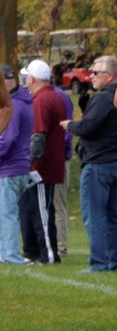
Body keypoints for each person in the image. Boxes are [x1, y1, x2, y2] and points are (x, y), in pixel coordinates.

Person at [66, 56, 117, 273]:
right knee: (115, 215)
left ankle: (99, 263)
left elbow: (87, 127)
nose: (90, 76)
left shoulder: (103, 99)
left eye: (95, 72)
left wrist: (70, 125)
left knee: (95, 215)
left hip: (100, 164)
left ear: (109, 76)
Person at [24, 59, 68, 262]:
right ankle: (36, 252)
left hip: (42, 167)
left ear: (32, 78)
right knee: (37, 209)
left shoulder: (41, 101)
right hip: (50, 163)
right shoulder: (54, 96)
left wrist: (31, 163)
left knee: (42, 212)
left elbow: (38, 136)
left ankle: (49, 254)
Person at [1, 71, 32, 267]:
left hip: (9, 168)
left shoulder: (13, 107)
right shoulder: (25, 103)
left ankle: (11, 255)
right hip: (19, 166)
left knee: (7, 213)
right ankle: (5, 253)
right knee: (6, 212)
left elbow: (7, 139)